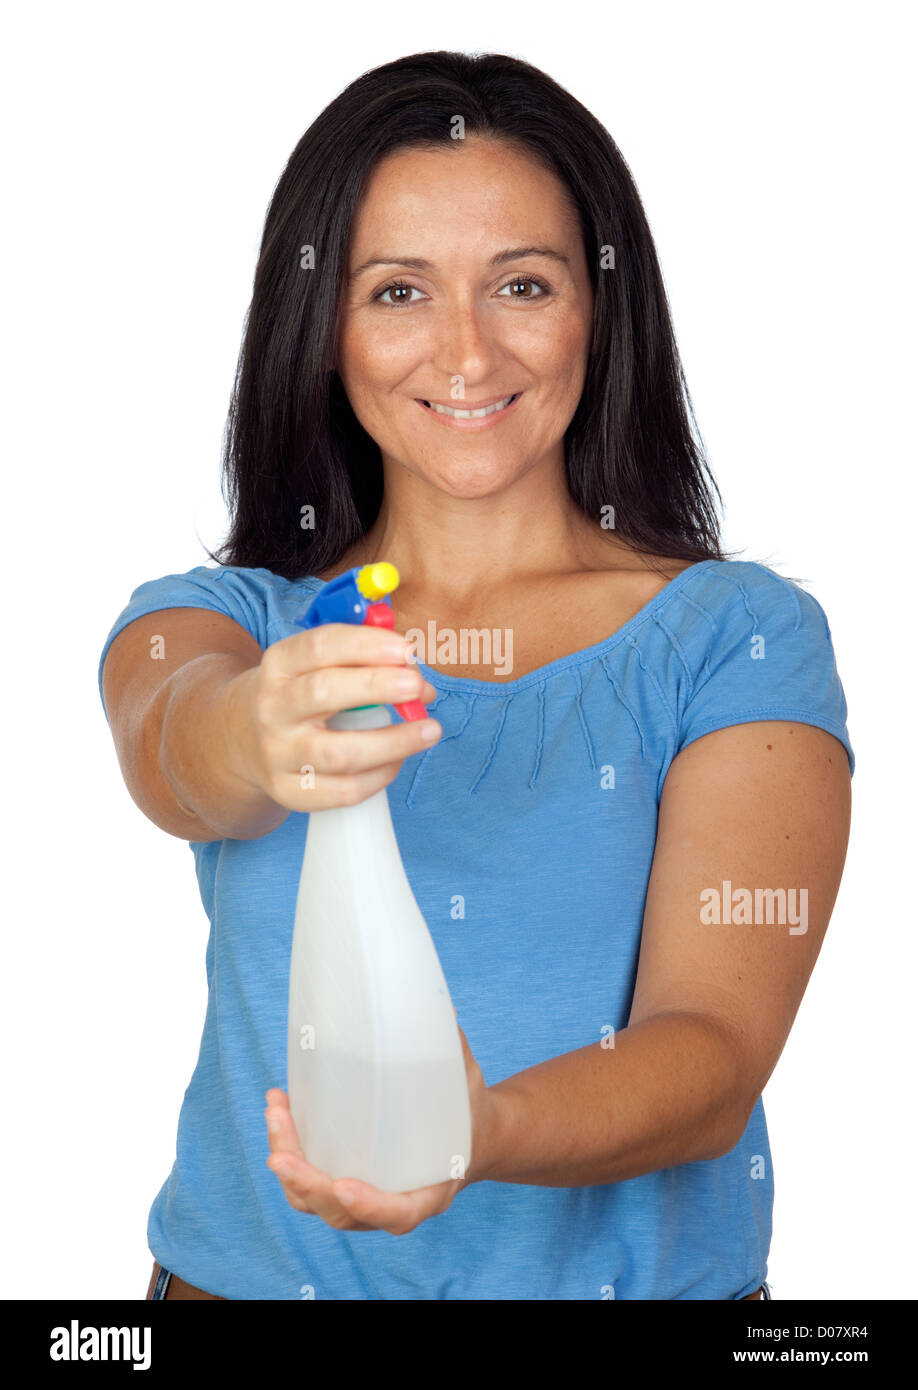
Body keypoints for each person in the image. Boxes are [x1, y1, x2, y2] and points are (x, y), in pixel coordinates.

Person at [99, 51, 853, 1301]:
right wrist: (253, 730)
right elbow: (173, 743)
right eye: (397, 290)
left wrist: (476, 1130)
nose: (464, 350)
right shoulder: (229, 623)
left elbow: (713, 1052)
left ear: (598, 312)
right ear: (323, 329)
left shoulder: (736, 639)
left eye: (521, 283)